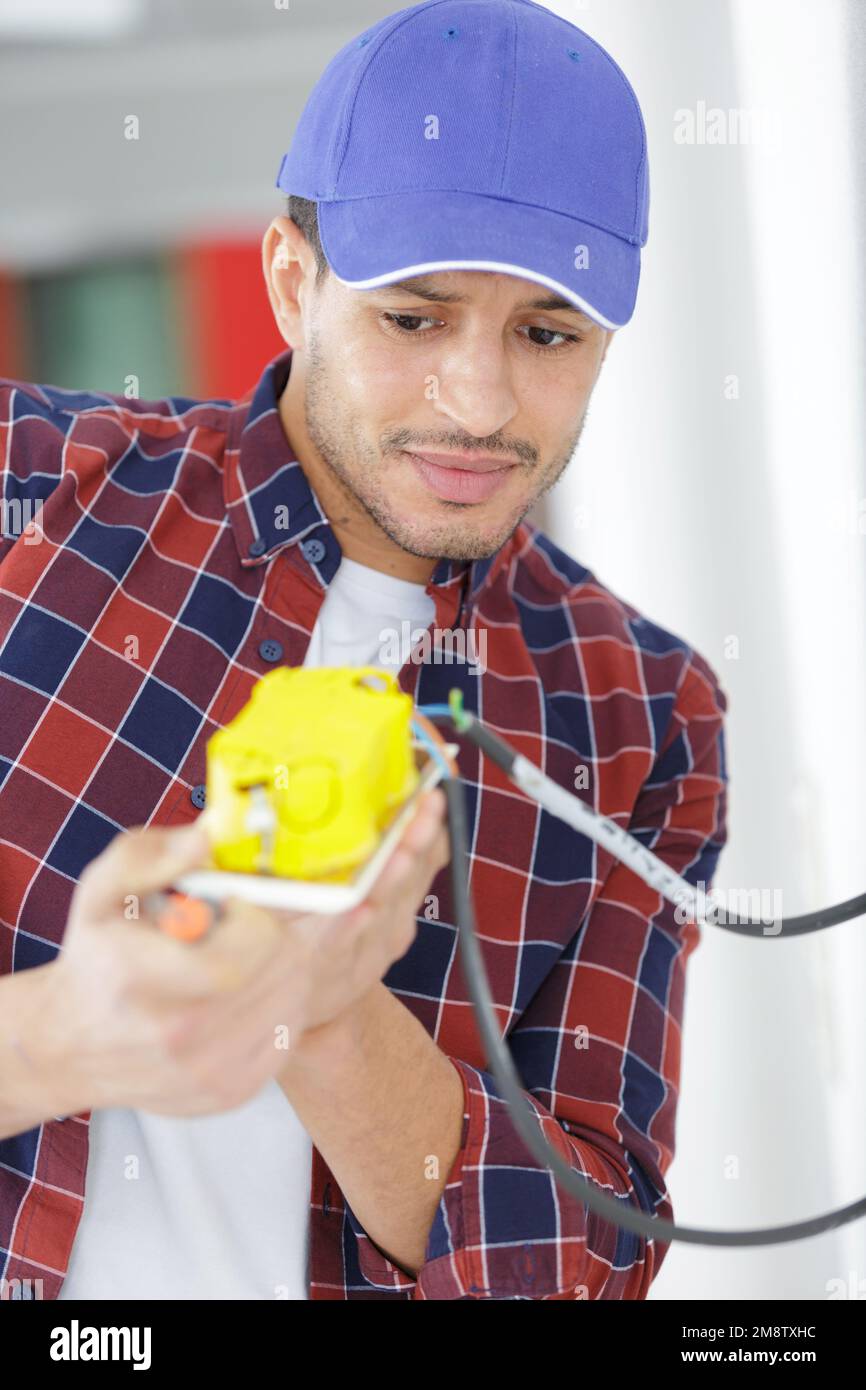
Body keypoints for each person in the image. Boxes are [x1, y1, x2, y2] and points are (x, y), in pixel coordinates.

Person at [0, 0, 728, 1301]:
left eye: (547, 334)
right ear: (292, 279)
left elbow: (578, 1267)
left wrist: (320, 1004)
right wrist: (59, 1034)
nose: (480, 401)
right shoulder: (25, 492)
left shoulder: (644, 713)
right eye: (413, 319)